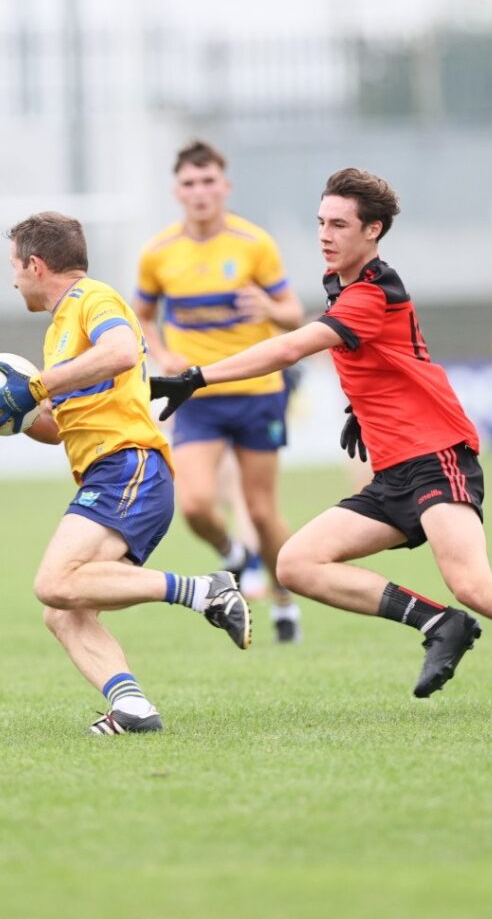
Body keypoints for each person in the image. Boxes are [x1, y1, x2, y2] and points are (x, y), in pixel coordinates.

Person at [152, 170, 492, 719]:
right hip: (394, 471)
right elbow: (399, 356)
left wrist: (197, 376)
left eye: (339, 224)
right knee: (296, 563)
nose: (325, 234)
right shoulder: (345, 284)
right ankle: (438, 623)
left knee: (473, 582)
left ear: (373, 230)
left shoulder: (370, 290)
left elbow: (292, 347)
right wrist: (361, 409)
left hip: (436, 456)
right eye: (321, 223)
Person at [0, 211, 251, 735]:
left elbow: (119, 352)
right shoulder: (59, 332)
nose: (12, 280)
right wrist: (11, 417)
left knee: (53, 583)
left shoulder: (91, 298)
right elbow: (61, 428)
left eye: (14, 267)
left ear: (36, 264)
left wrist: (36, 387)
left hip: (130, 465)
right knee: (64, 608)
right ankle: (134, 708)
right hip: (110, 472)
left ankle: (204, 590)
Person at [134, 140, 305, 643]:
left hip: (257, 391)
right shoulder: (159, 252)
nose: (200, 191)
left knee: (261, 510)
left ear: (225, 187)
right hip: (197, 396)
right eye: (190, 183)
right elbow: (142, 314)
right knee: (194, 504)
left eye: (209, 181)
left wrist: (269, 310)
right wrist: (161, 355)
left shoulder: (254, 243)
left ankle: (283, 596)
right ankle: (234, 556)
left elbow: (294, 314)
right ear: (177, 191)